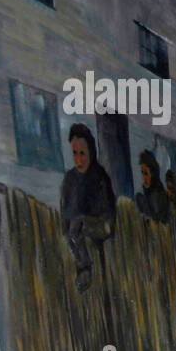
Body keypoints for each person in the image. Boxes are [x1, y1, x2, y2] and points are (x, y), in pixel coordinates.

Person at [60, 123, 116, 293]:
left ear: (91, 151)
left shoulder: (100, 178)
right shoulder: (69, 180)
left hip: (100, 250)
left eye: (82, 153)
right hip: (74, 249)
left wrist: (88, 223)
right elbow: (65, 218)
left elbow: (109, 222)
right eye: (75, 153)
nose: (78, 159)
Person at [135, 150, 170, 222]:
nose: (143, 177)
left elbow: (154, 220)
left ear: (153, 173)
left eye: (146, 173)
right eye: (142, 173)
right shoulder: (149, 191)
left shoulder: (158, 194)